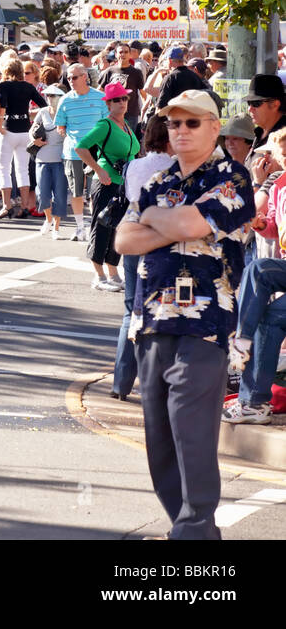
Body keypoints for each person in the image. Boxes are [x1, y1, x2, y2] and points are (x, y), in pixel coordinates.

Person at [115, 89, 255, 540]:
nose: (181, 131)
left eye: (192, 123)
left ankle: (193, 532)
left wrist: (155, 219)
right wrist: (171, 220)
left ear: (215, 127)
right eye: (174, 123)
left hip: (205, 326)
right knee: (159, 441)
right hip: (151, 319)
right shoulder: (158, 182)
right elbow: (123, 242)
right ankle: (190, 529)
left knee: (191, 434)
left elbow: (189, 226)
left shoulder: (232, 177)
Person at [224, 127, 286, 423]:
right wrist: (261, 225)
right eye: (278, 153)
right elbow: (273, 226)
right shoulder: (278, 186)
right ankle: (253, 403)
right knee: (268, 318)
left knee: (259, 269)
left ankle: (239, 344)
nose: (280, 158)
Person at [112, 115, 173, 401]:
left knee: (130, 312)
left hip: (133, 233)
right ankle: (155, 386)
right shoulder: (176, 166)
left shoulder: (134, 166)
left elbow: (128, 195)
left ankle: (121, 383)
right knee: (161, 314)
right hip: (161, 241)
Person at [76, 81, 140, 292]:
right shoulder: (105, 125)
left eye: (124, 98)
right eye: (116, 100)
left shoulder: (126, 125)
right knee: (101, 227)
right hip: (106, 183)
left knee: (118, 229)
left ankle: (113, 272)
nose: (121, 102)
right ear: (108, 104)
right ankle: (99, 275)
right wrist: (98, 169)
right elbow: (81, 147)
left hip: (124, 186)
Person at [54, 62, 108, 240]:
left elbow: (107, 125)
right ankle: (79, 227)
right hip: (73, 152)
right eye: (68, 78)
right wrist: (67, 134)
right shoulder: (65, 99)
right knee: (76, 192)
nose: (71, 81)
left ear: (85, 77)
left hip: (96, 152)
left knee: (95, 192)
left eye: (74, 77)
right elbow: (60, 126)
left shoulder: (100, 98)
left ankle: (94, 227)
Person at [0, 52, 46, 219]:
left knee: (3, 168)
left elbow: (3, 106)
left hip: (8, 129)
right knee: (22, 169)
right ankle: (24, 206)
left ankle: (7, 206)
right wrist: (29, 115)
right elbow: (44, 105)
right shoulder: (29, 87)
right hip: (25, 130)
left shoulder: (4, 85)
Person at [30, 85, 68, 238]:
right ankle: (48, 219)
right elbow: (32, 130)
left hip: (60, 158)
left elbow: (72, 135)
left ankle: (57, 228)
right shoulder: (43, 112)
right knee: (43, 194)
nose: (50, 98)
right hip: (42, 157)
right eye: (48, 95)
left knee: (59, 195)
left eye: (53, 95)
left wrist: (65, 134)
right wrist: (34, 139)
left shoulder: (66, 113)